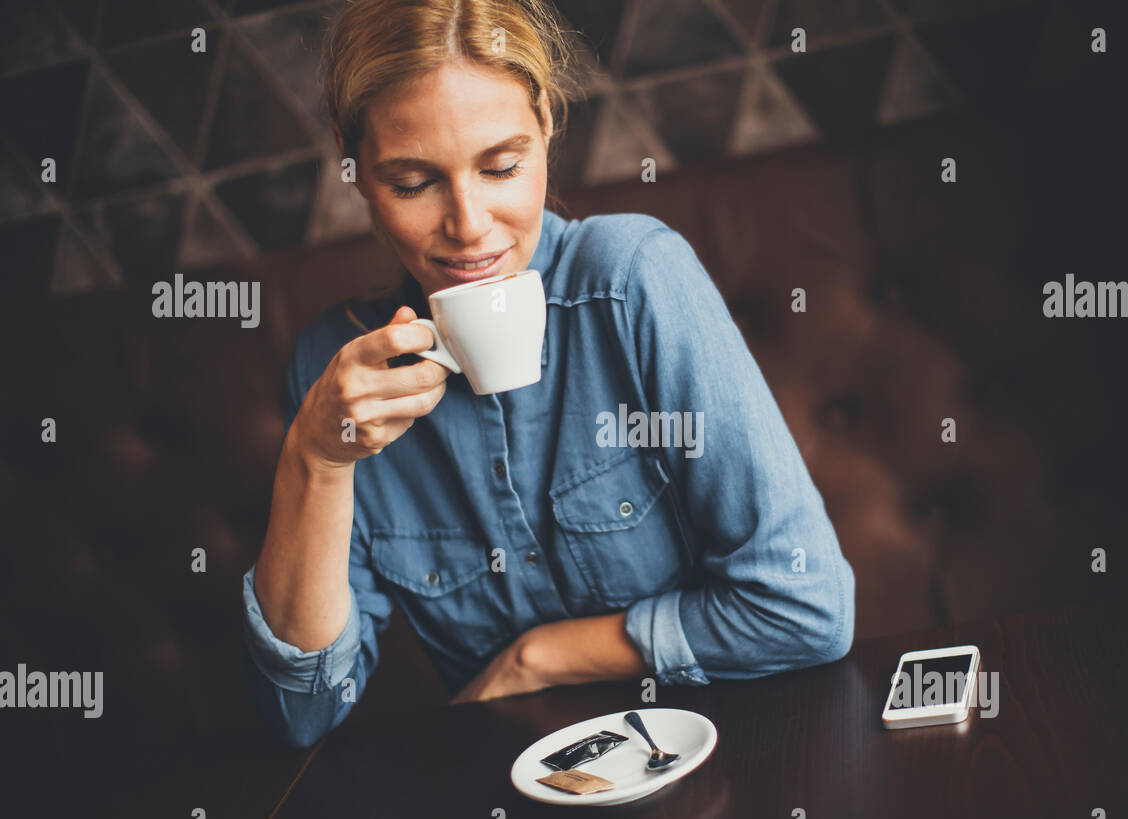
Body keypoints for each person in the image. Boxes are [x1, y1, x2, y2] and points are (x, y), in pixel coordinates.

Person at [241, 0, 855, 748]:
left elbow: (806, 608)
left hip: (736, 764)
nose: (468, 224)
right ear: (352, 163)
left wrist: (540, 659)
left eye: (501, 165)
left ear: (546, 123)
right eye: (411, 182)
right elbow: (302, 717)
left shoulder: (633, 281)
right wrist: (318, 458)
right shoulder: (334, 370)